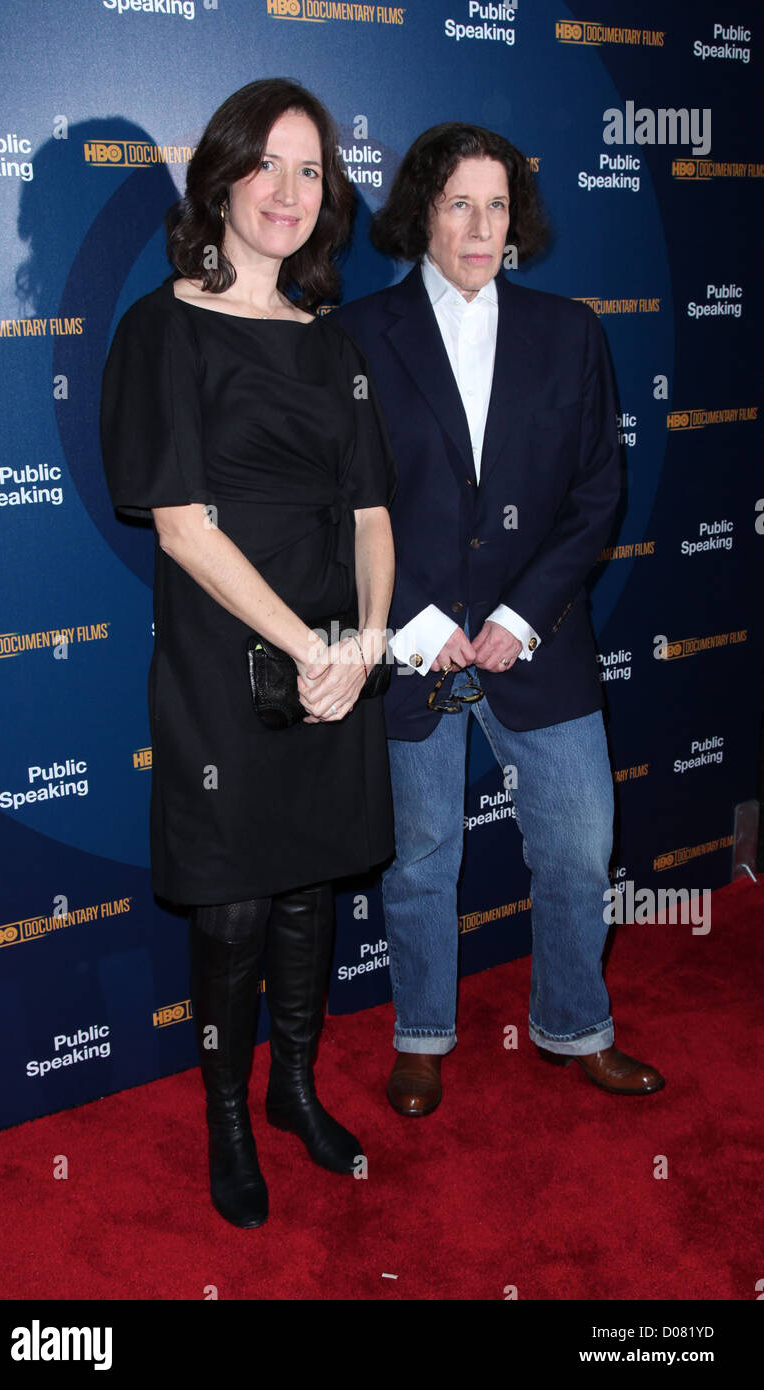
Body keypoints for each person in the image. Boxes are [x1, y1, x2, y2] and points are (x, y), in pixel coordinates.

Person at [100, 79, 396, 1227]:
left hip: (336, 663)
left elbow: (371, 513)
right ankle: (227, 1115)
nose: (286, 190)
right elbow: (181, 526)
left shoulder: (333, 344)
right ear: (219, 178)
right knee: (230, 906)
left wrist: (362, 643)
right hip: (225, 665)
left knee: (310, 889)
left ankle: (294, 1090)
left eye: (309, 170)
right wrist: (309, 645)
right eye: (265, 163)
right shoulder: (161, 328)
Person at [333, 122, 664, 1117]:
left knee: (577, 845)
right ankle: (421, 1036)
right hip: (411, 645)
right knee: (421, 857)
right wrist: (409, 622)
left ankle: (574, 1027)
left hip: (539, 640)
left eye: (496, 205)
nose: (481, 228)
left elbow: (596, 494)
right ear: (419, 215)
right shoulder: (354, 336)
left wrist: (521, 614)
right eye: (458, 204)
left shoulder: (568, 331)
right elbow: (336, 501)